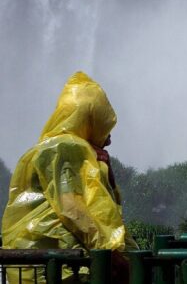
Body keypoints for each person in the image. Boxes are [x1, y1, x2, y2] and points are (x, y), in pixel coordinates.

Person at [2, 72, 132, 281]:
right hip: (57, 269)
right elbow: (72, 207)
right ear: (89, 121)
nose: (108, 141)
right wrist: (110, 254)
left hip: (34, 264)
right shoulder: (66, 148)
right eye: (103, 127)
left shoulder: (45, 149)